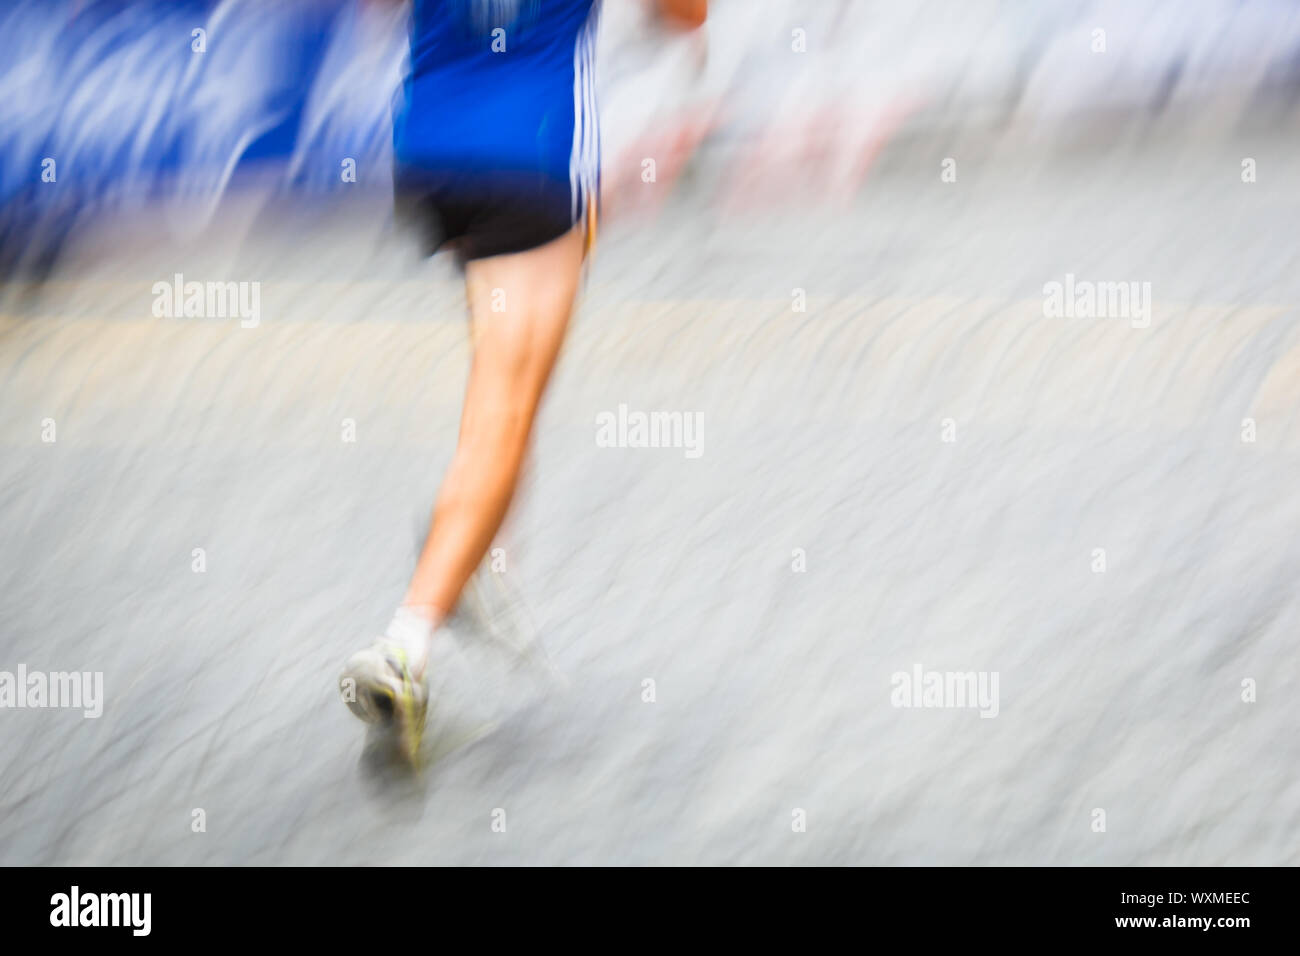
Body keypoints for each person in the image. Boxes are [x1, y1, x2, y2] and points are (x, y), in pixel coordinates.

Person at [340, 0, 707, 758]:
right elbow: (687, 14)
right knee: (505, 408)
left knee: (503, 387)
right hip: (532, 153)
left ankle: (479, 550)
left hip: (430, 150)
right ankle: (409, 641)